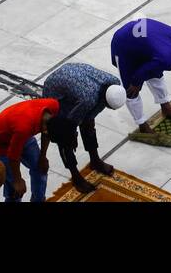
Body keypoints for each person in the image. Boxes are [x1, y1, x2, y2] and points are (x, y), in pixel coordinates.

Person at [41, 63, 124, 194]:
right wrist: (72, 137)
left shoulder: (115, 83)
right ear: (106, 101)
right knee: (64, 135)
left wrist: (88, 123)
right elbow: (70, 124)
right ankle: (75, 176)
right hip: (55, 90)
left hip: (74, 80)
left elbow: (90, 117)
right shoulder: (88, 99)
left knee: (89, 124)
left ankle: (95, 160)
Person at [0, 97, 58, 202]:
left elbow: (47, 135)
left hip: (18, 134)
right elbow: (13, 156)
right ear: (45, 129)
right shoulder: (23, 128)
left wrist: (43, 156)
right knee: (16, 190)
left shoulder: (53, 107)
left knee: (41, 168)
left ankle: (38, 200)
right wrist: (17, 180)